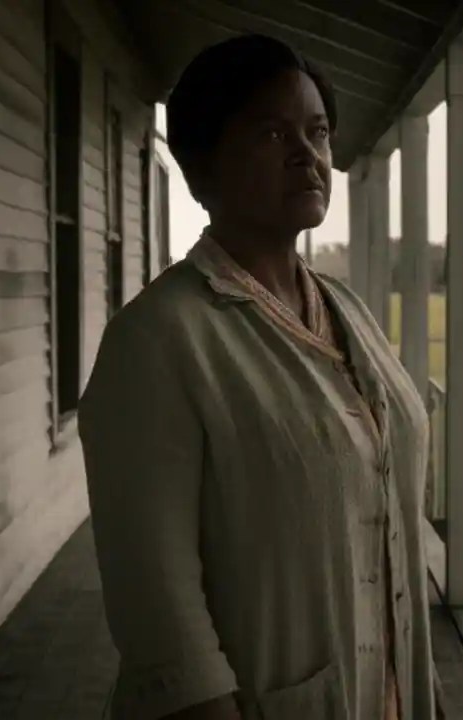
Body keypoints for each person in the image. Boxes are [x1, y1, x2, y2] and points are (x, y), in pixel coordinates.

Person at [79, 34, 434, 720]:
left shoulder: (347, 309)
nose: (308, 155)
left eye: (319, 131)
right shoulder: (158, 339)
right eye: (272, 132)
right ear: (199, 168)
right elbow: (159, 610)